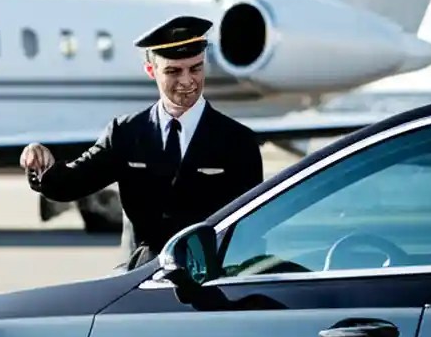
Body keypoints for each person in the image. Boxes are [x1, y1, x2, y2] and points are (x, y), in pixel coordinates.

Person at [21, 15, 262, 269]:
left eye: (196, 68)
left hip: (210, 280)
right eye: (173, 71)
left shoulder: (238, 141)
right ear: (151, 71)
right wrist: (40, 163)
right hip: (141, 280)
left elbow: (251, 226)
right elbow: (71, 183)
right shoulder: (126, 133)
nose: (187, 81)